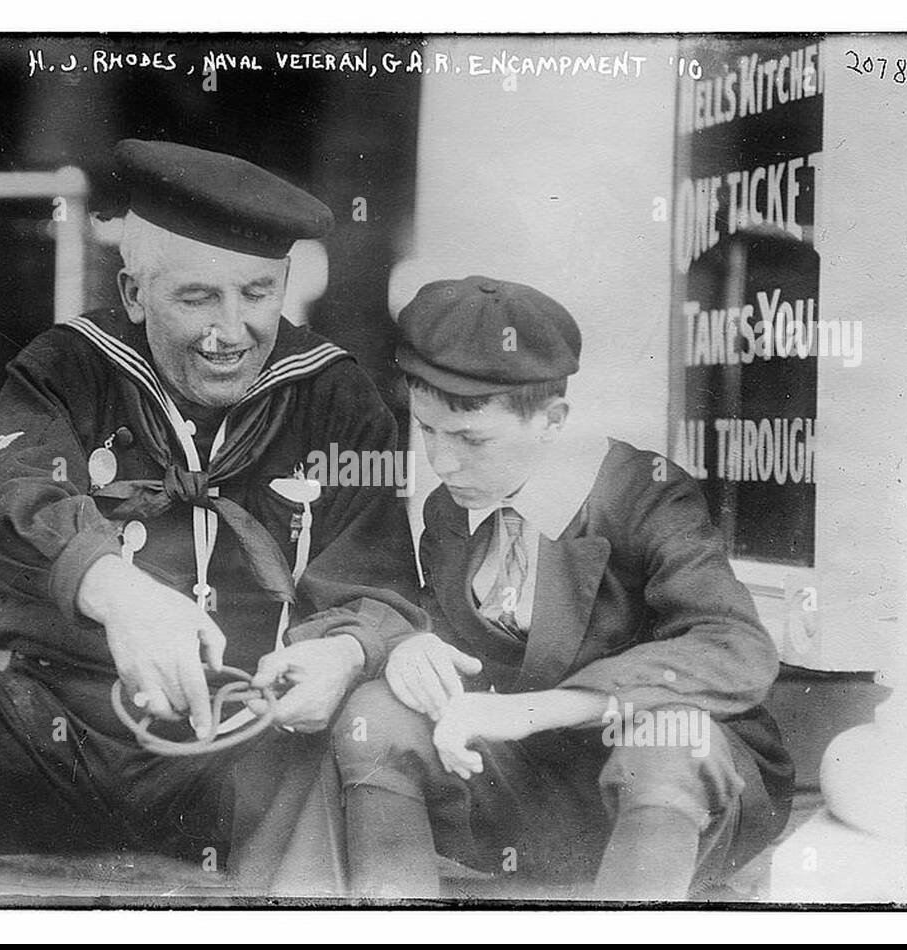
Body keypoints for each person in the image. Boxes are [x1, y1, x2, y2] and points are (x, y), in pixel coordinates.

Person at [0, 140, 423, 895]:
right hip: (59, 740)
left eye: (258, 293)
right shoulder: (70, 366)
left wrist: (339, 656)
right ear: (134, 292)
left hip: (243, 757)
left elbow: (379, 588)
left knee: (358, 721)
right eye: (197, 297)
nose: (231, 330)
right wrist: (119, 591)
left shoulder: (335, 398)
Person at [332, 276, 794, 900]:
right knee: (375, 712)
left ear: (552, 422)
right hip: (542, 790)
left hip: (669, 795)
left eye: (471, 439)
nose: (441, 463)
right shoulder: (452, 510)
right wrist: (413, 648)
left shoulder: (646, 495)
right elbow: (443, 630)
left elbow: (734, 647)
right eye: (427, 430)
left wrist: (530, 711)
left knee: (670, 737)